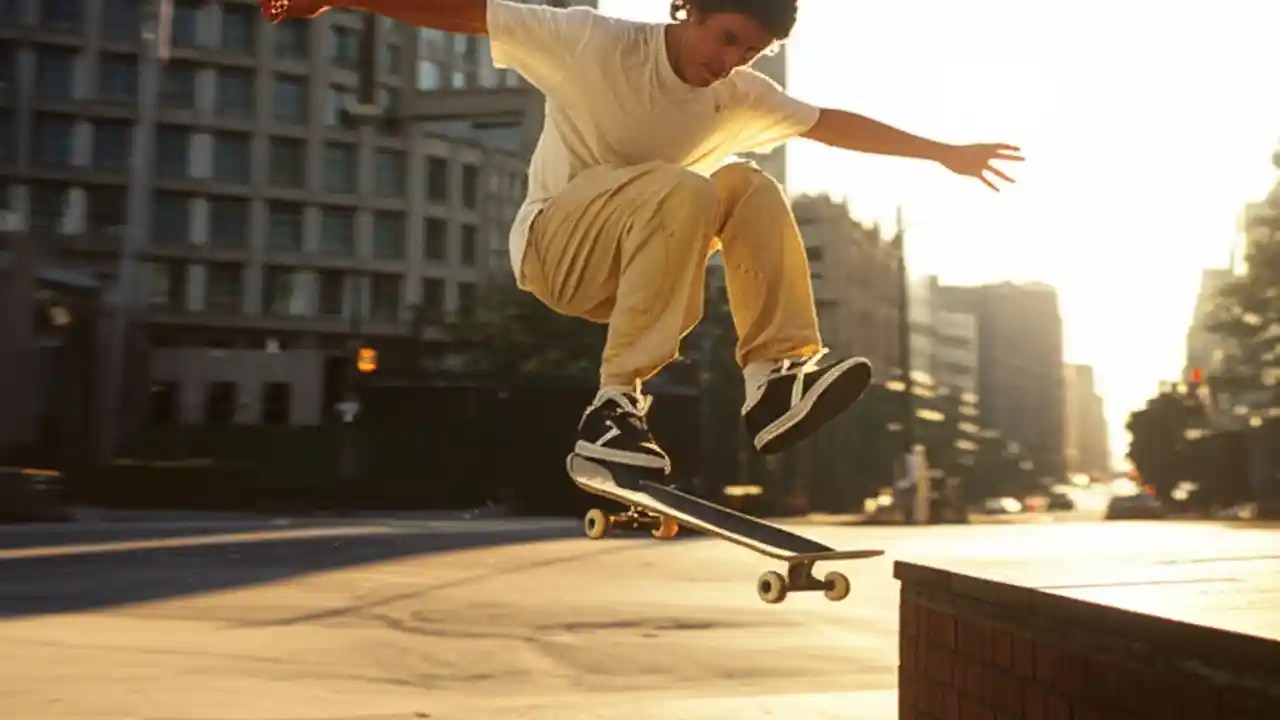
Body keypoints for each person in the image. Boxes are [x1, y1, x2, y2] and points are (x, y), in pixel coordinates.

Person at [261, 0, 1022, 480]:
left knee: (750, 186)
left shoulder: (737, 94)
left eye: (746, 55)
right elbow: (473, 13)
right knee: (687, 185)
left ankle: (774, 381)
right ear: (684, 8)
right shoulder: (591, 42)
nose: (726, 62)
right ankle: (615, 406)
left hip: (637, 266)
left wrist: (941, 152)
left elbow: (830, 124)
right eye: (724, 38)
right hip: (555, 249)